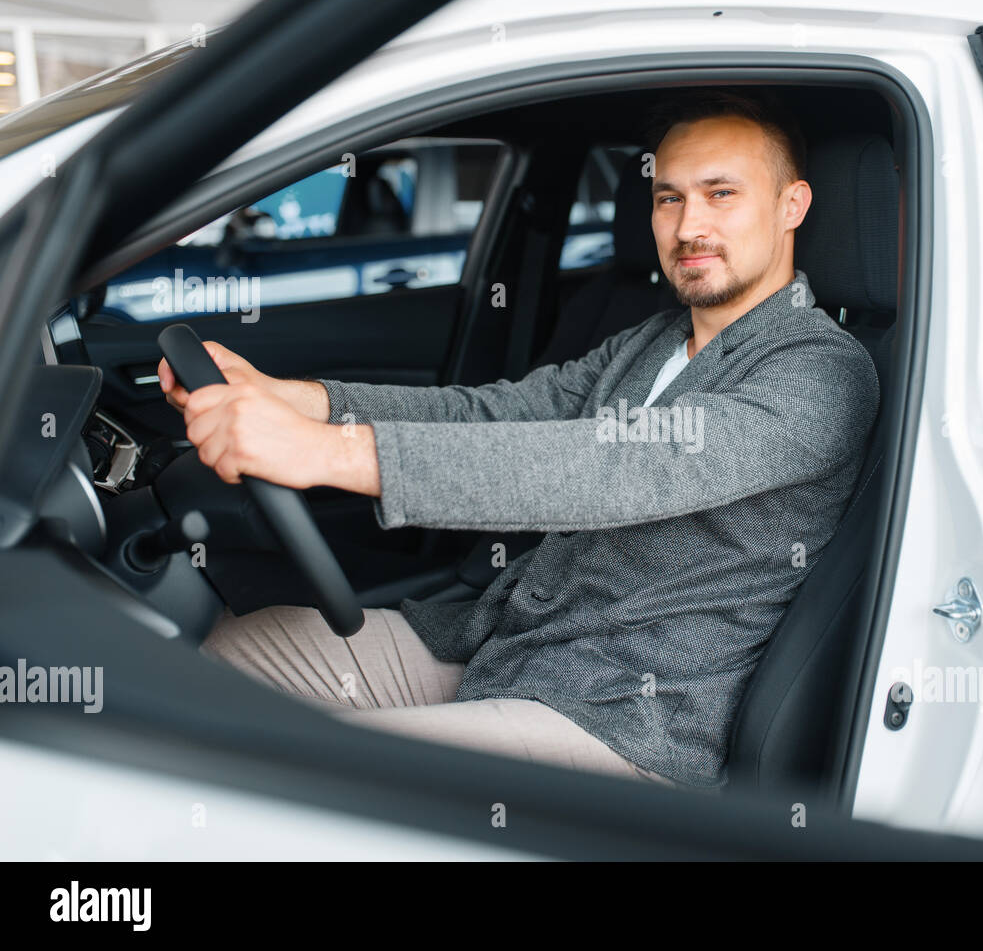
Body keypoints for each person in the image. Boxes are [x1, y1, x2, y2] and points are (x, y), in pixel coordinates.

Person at [159, 89, 879, 791]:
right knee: (242, 648)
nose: (689, 225)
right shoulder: (652, 341)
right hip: (508, 645)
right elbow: (503, 413)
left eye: (721, 194)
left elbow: (616, 465)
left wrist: (325, 455)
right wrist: (307, 402)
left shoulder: (821, 372)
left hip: (622, 724)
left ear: (792, 206)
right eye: (669, 197)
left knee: (318, 771)